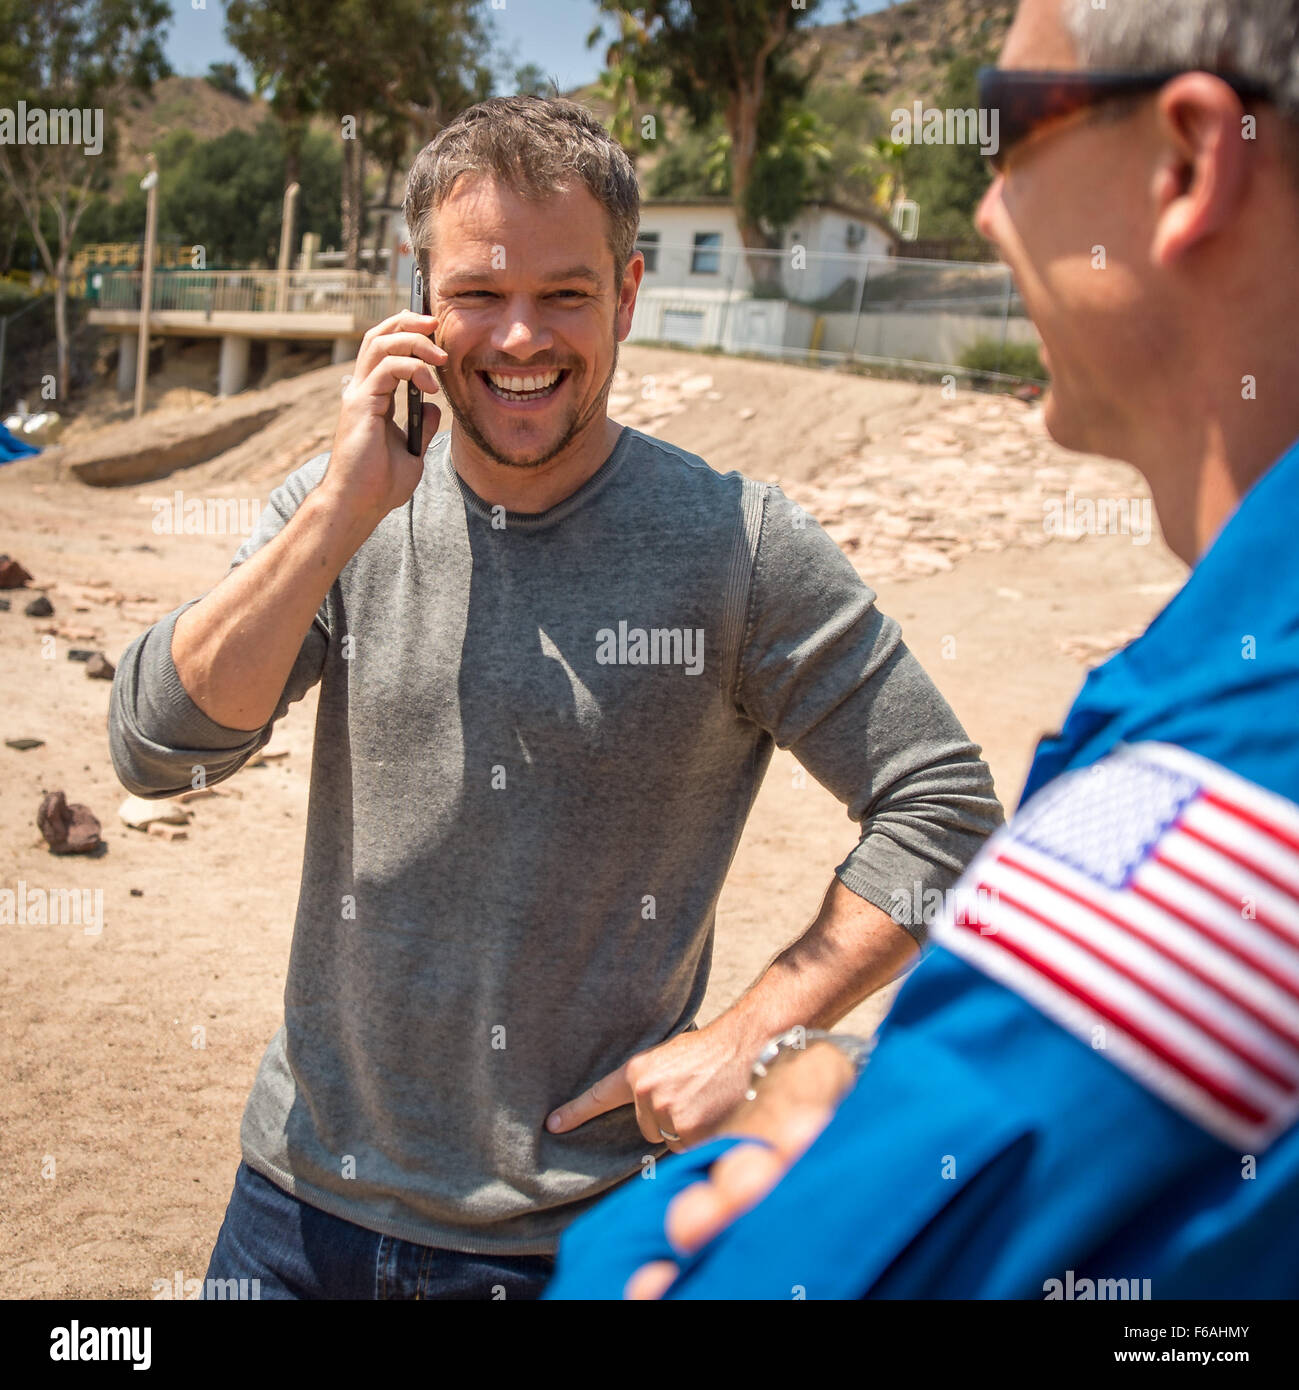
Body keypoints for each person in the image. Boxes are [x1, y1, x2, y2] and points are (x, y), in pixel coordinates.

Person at [107, 96, 1001, 1300]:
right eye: (478, 292)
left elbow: (943, 807)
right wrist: (335, 515)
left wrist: (752, 1032)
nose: (520, 335)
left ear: (627, 296)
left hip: (559, 1247)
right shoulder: (342, 511)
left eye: (566, 294)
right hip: (290, 1211)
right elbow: (158, 749)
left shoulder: (738, 546)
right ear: (421, 300)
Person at [543, 0, 1299, 1301]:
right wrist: (838, 1084)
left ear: (1183, 161)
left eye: (1008, 128)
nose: (987, 210)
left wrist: (665, 1214)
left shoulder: (1236, 761)